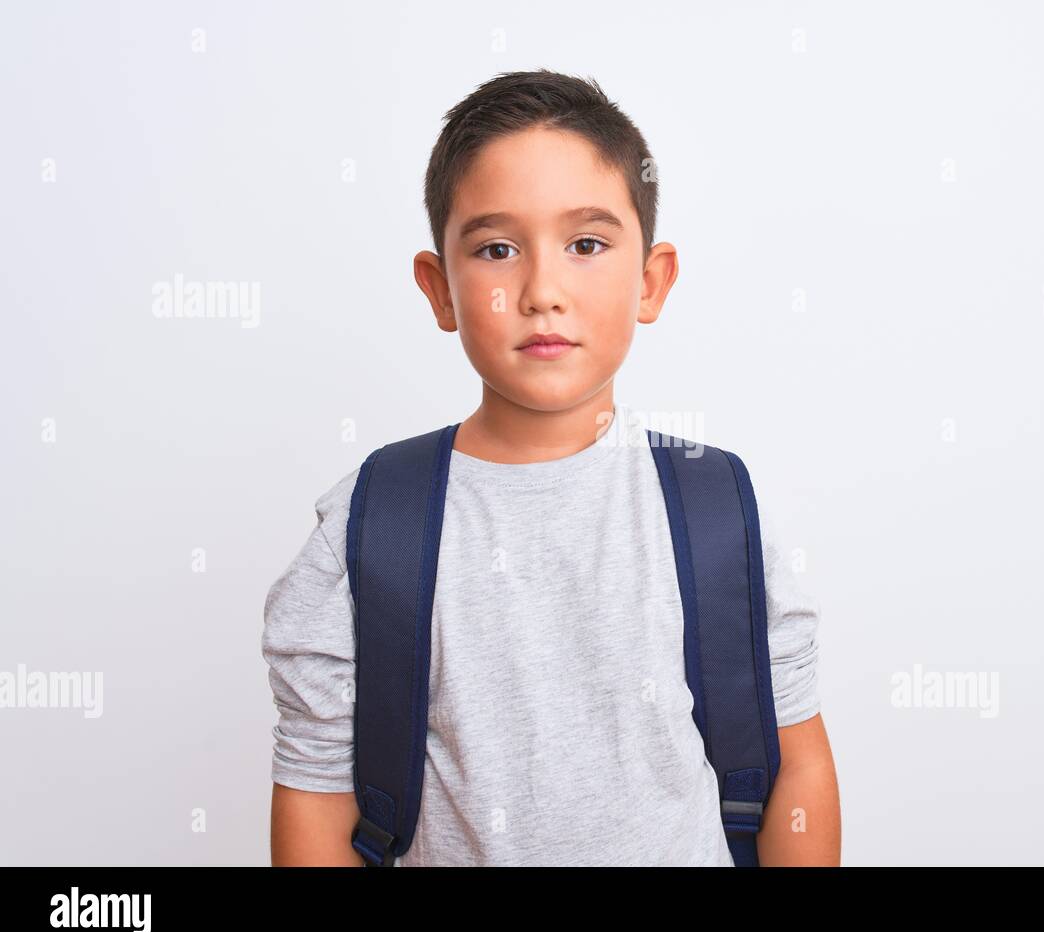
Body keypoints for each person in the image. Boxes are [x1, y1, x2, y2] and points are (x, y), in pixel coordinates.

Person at [262, 69, 840, 866]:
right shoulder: (372, 527)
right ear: (440, 290)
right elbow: (317, 803)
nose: (541, 290)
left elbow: (795, 762)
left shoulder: (716, 506)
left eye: (586, 244)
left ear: (651, 279)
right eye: (497, 249)